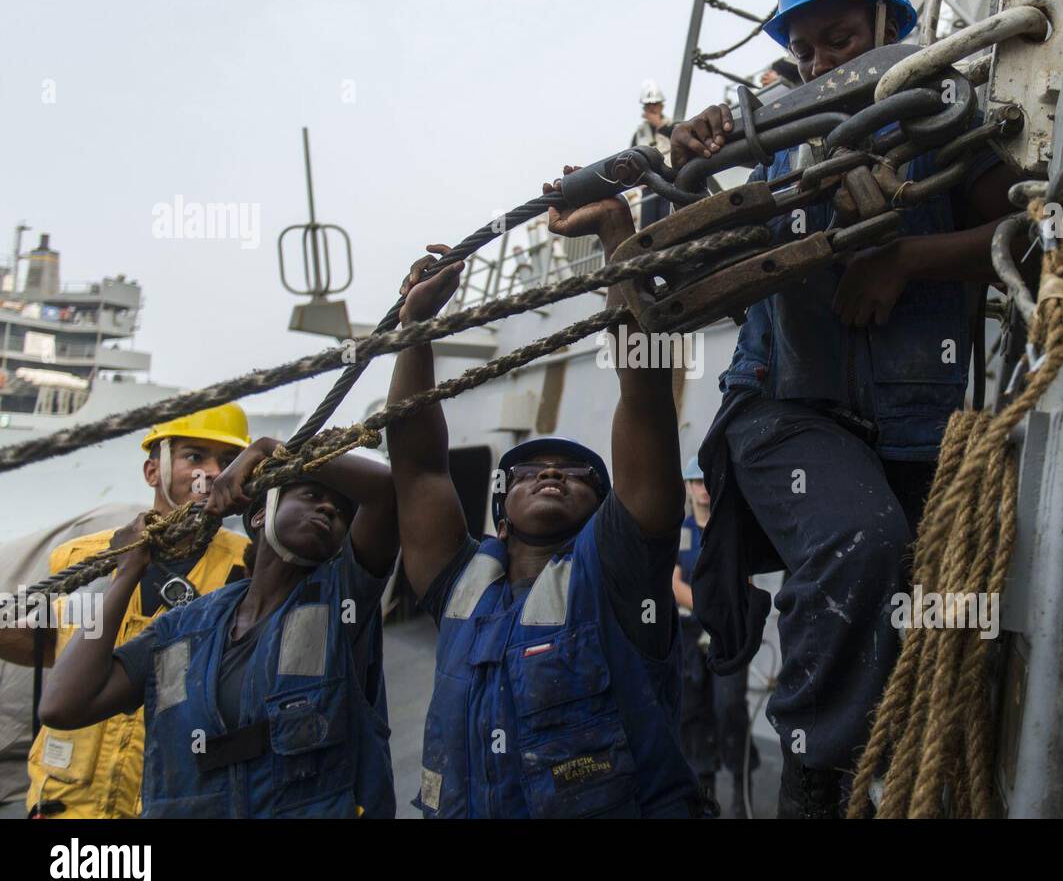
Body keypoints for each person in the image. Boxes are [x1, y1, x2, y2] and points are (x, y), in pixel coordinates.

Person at [671, 0, 1025, 818]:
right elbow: (696, 259)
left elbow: (1031, 234)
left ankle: (905, 778)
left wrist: (905, 259)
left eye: (841, 38)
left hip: (911, 430)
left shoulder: (942, 113)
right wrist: (693, 157)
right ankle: (816, 780)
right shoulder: (773, 139)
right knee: (861, 541)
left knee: (925, 609)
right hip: (783, 408)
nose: (824, 61)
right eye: (809, 47)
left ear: (886, 28)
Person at [390, 211, 702, 818]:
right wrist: (415, 327)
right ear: (501, 515)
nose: (552, 473)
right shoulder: (459, 585)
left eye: (576, 472)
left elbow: (643, 399)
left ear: (604, 511)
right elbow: (420, 467)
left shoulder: (618, 572)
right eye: (530, 471)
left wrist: (618, 240)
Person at [36, 437, 400, 819]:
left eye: (342, 512)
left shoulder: (341, 602)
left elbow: (387, 492)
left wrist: (267, 451)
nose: (328, 508)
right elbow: (62, 705)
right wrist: (124, 576)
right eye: (310, 495)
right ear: (260, 514)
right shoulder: (181, 627)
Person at [0, 405, 252, 819]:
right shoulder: (80, 558)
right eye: (195, 456)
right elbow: (56, 646)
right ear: (152, 471)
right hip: (66, 802)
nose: (211, 472)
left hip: (166, 803)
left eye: (227, 461)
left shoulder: (244, 567)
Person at [673, 455, 758, 818]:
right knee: (695, 713)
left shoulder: (731, 530)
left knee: (730, 709)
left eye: (706, 481)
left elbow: (747, 583)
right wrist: (708, 605)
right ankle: (705, 794)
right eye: (695, 482)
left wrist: (723, 613)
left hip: (727, 635)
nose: (702, 489)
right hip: (691, 638)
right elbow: (673, 583)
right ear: (688, 488)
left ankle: (741, 790)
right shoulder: (680, 532)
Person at [631, 79, 673, 228]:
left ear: (661, 105)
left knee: (667, 224)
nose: (652, 109)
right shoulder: (639, 134)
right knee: (649, 227)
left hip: (669, 183)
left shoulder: (673, 127)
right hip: (649, 186)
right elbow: (630, 159)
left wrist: (658, 125)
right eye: (649, 106)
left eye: (655, 104)